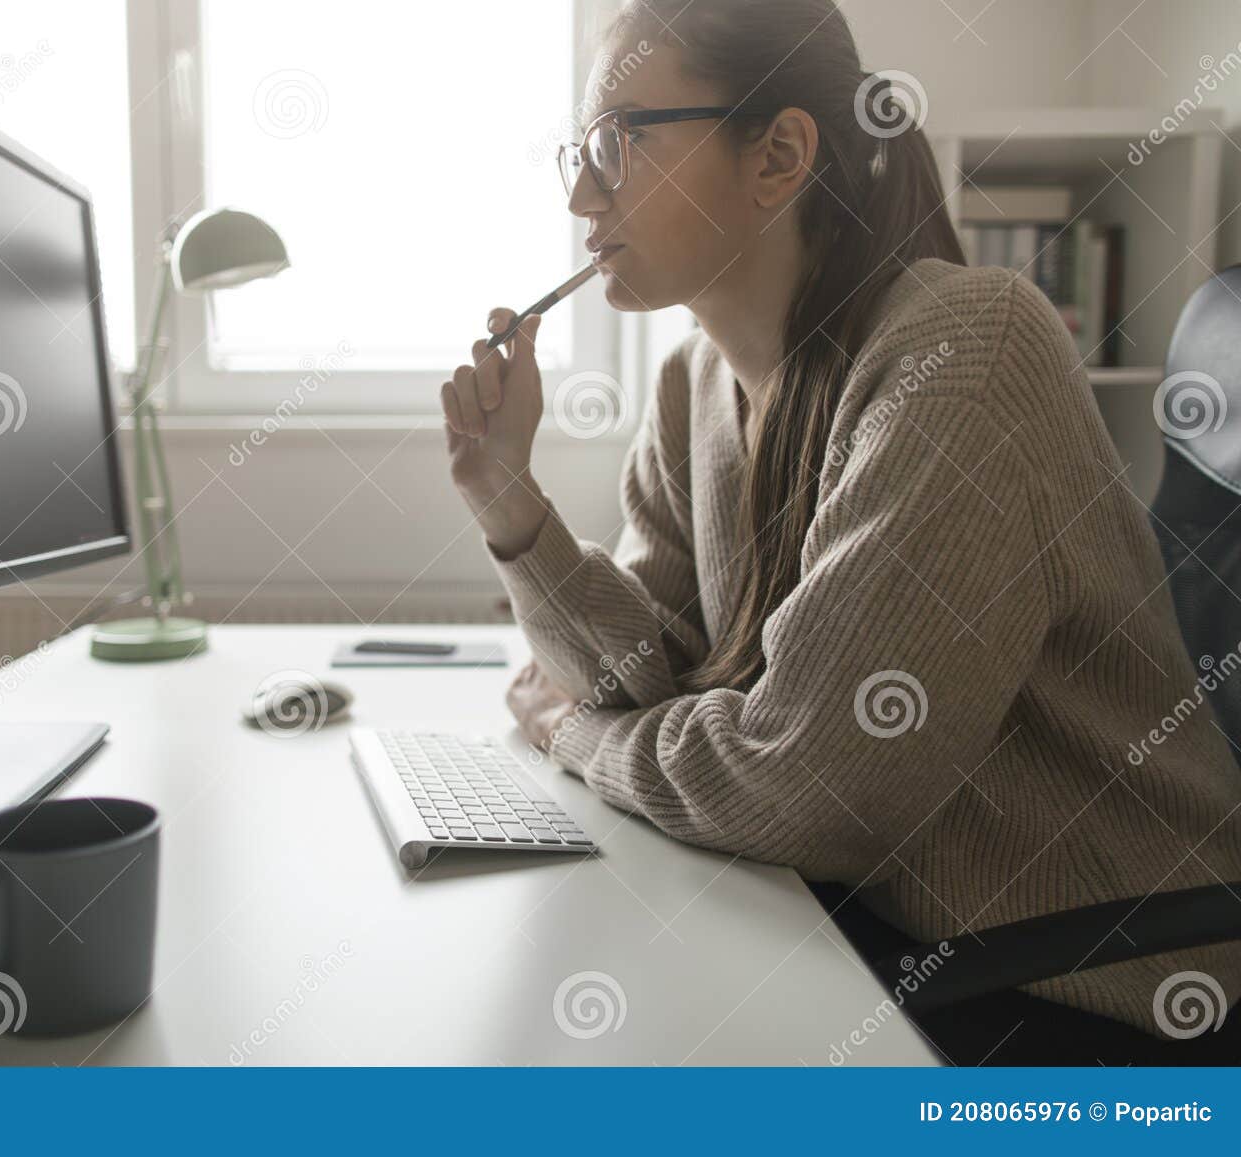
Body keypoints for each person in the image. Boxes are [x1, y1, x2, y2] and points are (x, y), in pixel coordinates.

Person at [439, 0, 1241, 1064]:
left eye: (620, 143)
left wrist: (573, 738)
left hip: (1090, 997)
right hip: (878, 935)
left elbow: (811, 787)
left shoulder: (967, 355)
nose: (583, 192)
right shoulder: (688, 388)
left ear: (776, 157)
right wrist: (510, 506)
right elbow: (649, 674)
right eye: (578, 153)